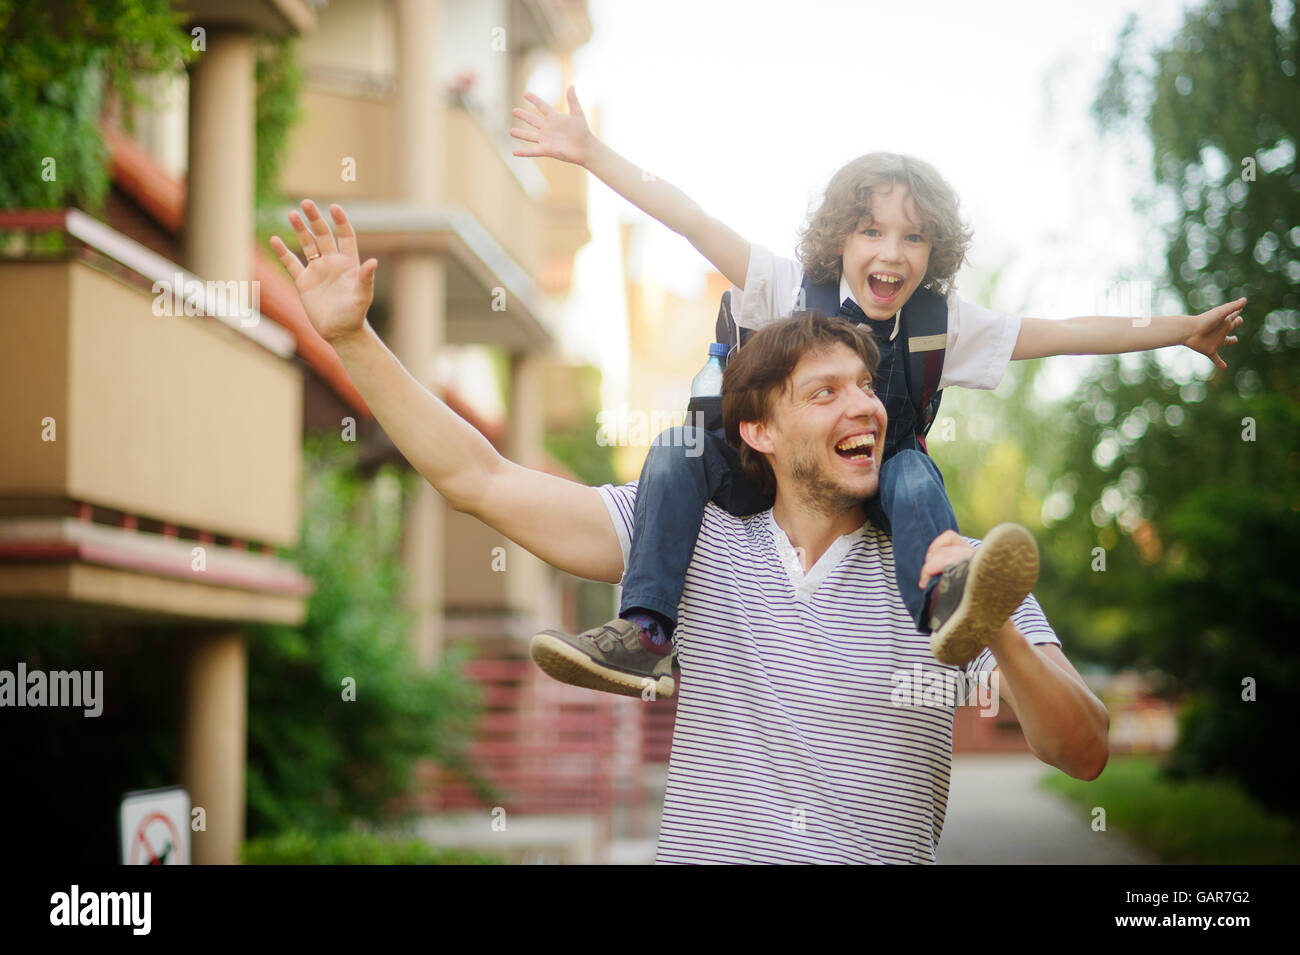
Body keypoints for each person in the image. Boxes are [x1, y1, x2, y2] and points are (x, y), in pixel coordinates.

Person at [269, 204, 1108, 862]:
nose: (864, 406)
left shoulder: (952, 570)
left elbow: (1084, 749)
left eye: (866, 386)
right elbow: (479, 479)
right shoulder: (687, 539)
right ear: (758, 431)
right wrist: (352, 340)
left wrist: (995, 627)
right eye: (825, 393)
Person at [511, 88, 1245, 696]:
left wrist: (1181, 330)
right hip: (769, 475)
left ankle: (946, 608)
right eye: (871, 231)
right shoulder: (784, 286)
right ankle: (646, 633)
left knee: (916, 470)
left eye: (913, 238)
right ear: (841, 239)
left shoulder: (942, 325)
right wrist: (591, 153)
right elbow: (691, 219)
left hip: (877, 488)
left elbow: (1062, 332)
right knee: (677, 449)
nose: (891, 252)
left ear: (934, 252)